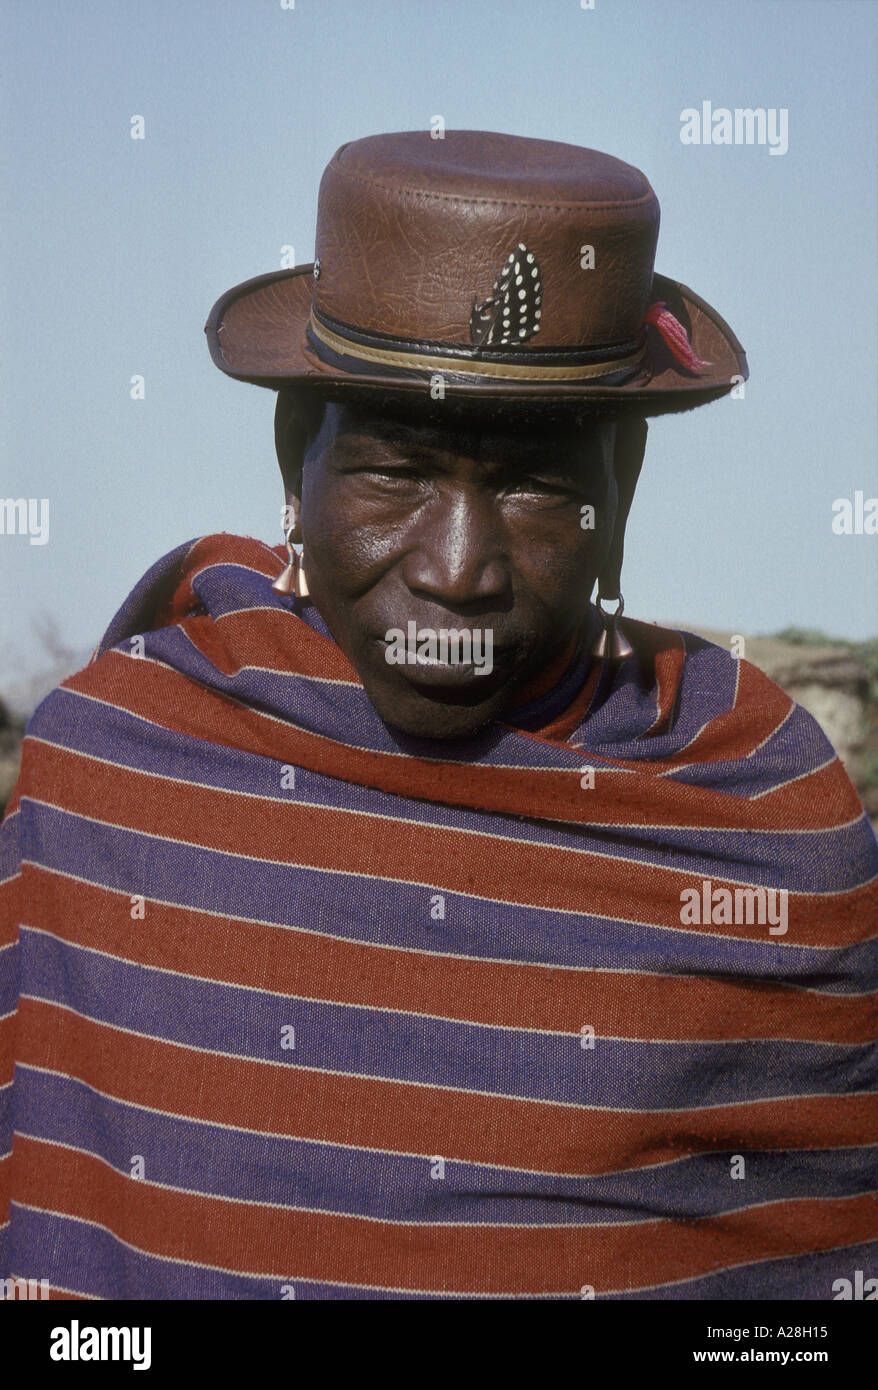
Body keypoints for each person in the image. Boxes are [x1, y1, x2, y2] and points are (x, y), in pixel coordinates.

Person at [1, 131, 875, 1301]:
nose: (458, 571)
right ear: (291, 463)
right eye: (396, 470)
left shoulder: (755, 808)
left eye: (533, 484)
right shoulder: (119, 773)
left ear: (621, 491)